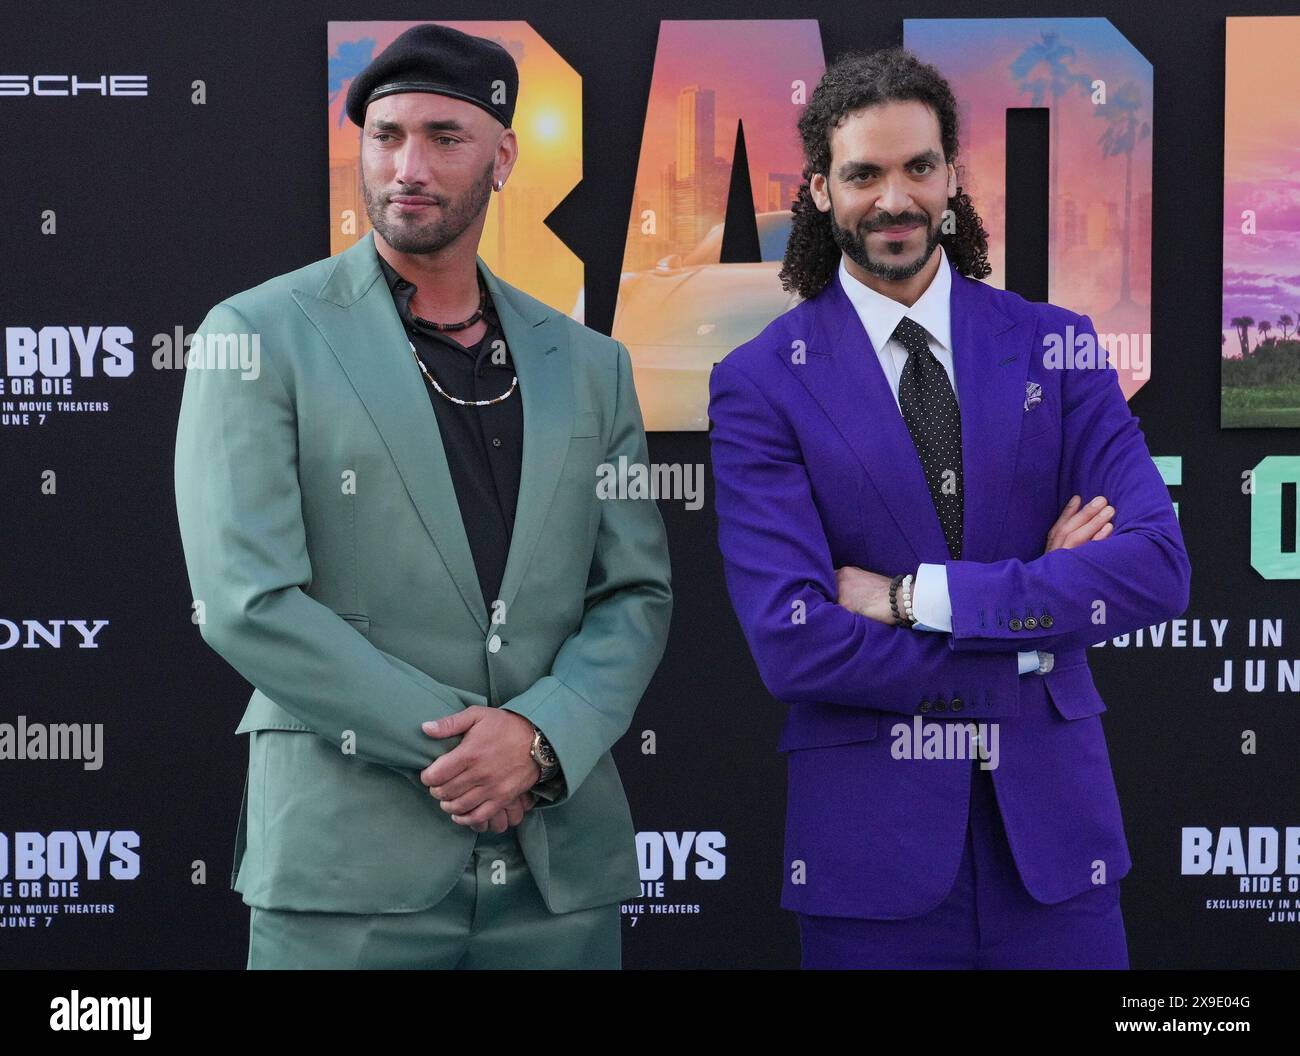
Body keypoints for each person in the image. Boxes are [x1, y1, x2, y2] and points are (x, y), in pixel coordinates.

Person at [174, 22, 672, 969]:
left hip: (557, 871)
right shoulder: (256, 336)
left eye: (445, 138)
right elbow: (248, 602)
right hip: (345, 868)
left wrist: (540, 739)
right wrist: (477, 752)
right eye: (385, 134)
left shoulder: (592, 368)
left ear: (502, 157)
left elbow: (635, 592)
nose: (409, 165)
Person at [707, 46, 1190, 969]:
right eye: (864, 174)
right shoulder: (762, 382)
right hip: (870, 866)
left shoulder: (1058, 346)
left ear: (953, 178)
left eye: (918, 167)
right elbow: (793, 637)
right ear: (819, 190)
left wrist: (912, 597)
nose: (895, 199)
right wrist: (1039, 611)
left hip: (1057, 857)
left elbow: (1155, 569)